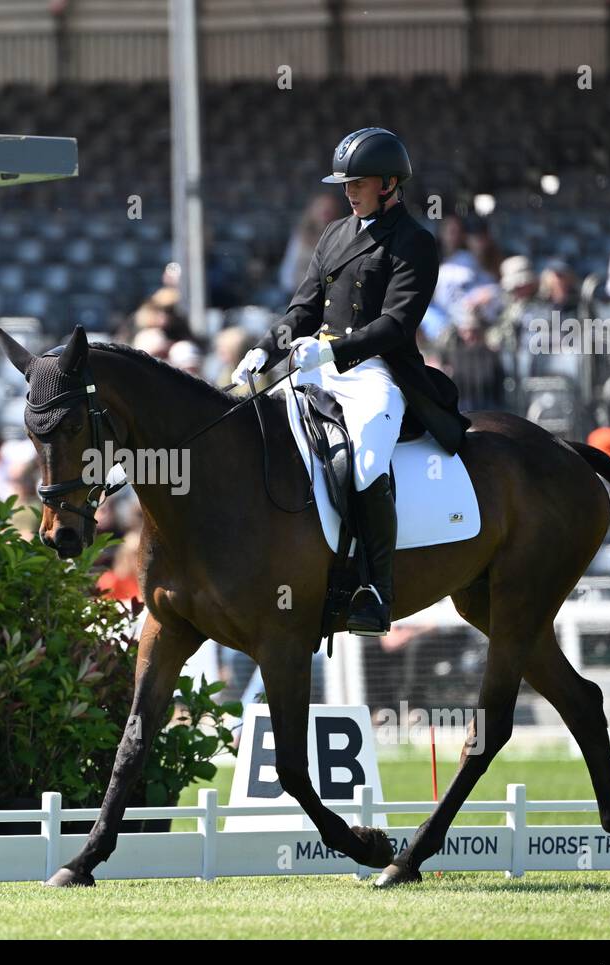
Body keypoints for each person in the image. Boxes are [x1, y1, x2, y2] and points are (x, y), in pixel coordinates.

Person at [231, 127, 470, 635]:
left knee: (363, 465)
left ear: (388, 183)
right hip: (316, 365)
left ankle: (375, 589)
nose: (347, 191)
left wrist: (333, 350)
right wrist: (263, 349)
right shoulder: (334, 234)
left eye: (357, 182)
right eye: (344, 183)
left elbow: (395, 325)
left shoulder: (414, 241)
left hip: (375, 373)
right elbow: (302, 307)